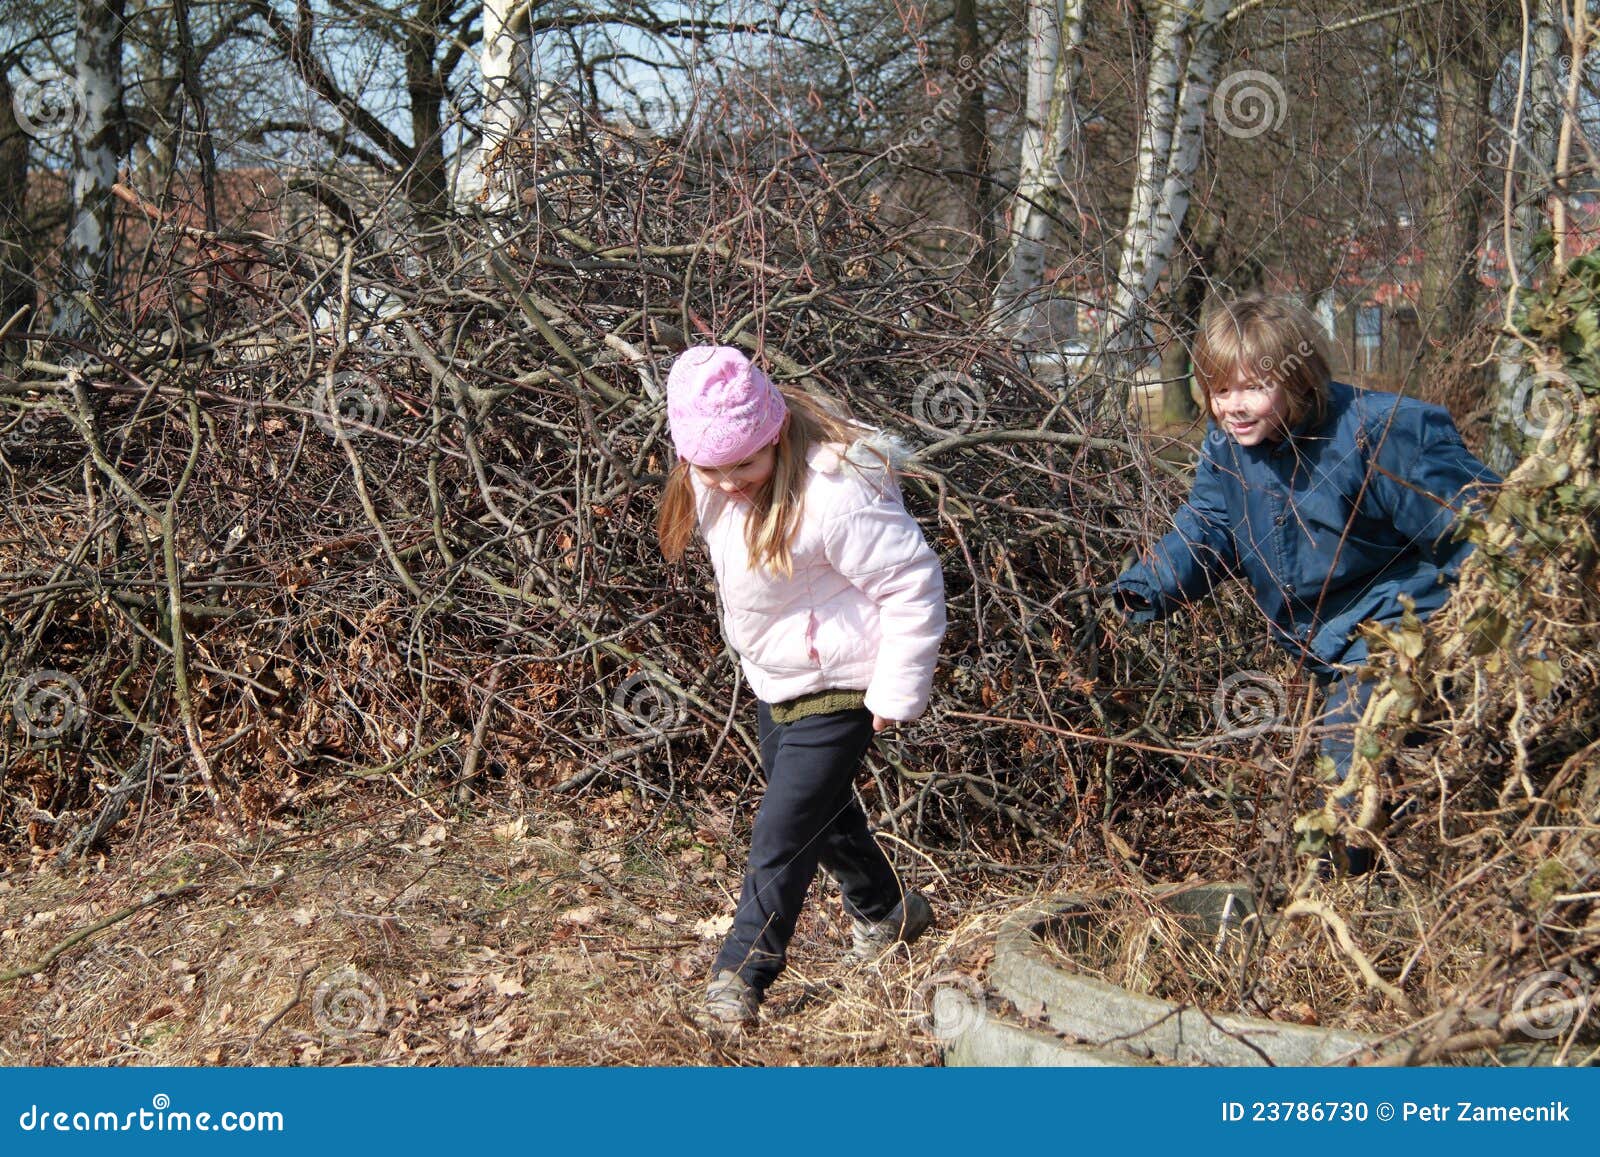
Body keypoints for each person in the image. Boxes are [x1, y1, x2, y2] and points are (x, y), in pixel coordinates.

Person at [1111, 295, 1499, 864]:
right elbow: (1210, 526)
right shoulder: (1228, 449)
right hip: (1324, 641)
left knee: (1349, 762)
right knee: (1368, 774)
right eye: (1220, 391)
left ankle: (1359, 895)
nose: (1234, 408)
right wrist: (1149, 584)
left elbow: (1476, 529)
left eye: (1253, 388)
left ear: (1299, 379)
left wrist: (1465, 630)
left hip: (1394, 627)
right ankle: (1389, 871)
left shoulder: (1383, 433)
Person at [656, 345, 947, 1028]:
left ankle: (742, 972)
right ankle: (887, 909)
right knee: (820, 808)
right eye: (711, 468)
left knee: (781, 829)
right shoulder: (712, 473)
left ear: (776, 435)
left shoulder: (837, 493)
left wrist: (895, 690)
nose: (729, 483)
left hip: (846, 679)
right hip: (777, 675)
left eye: (744, 466)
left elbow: (912, 583)